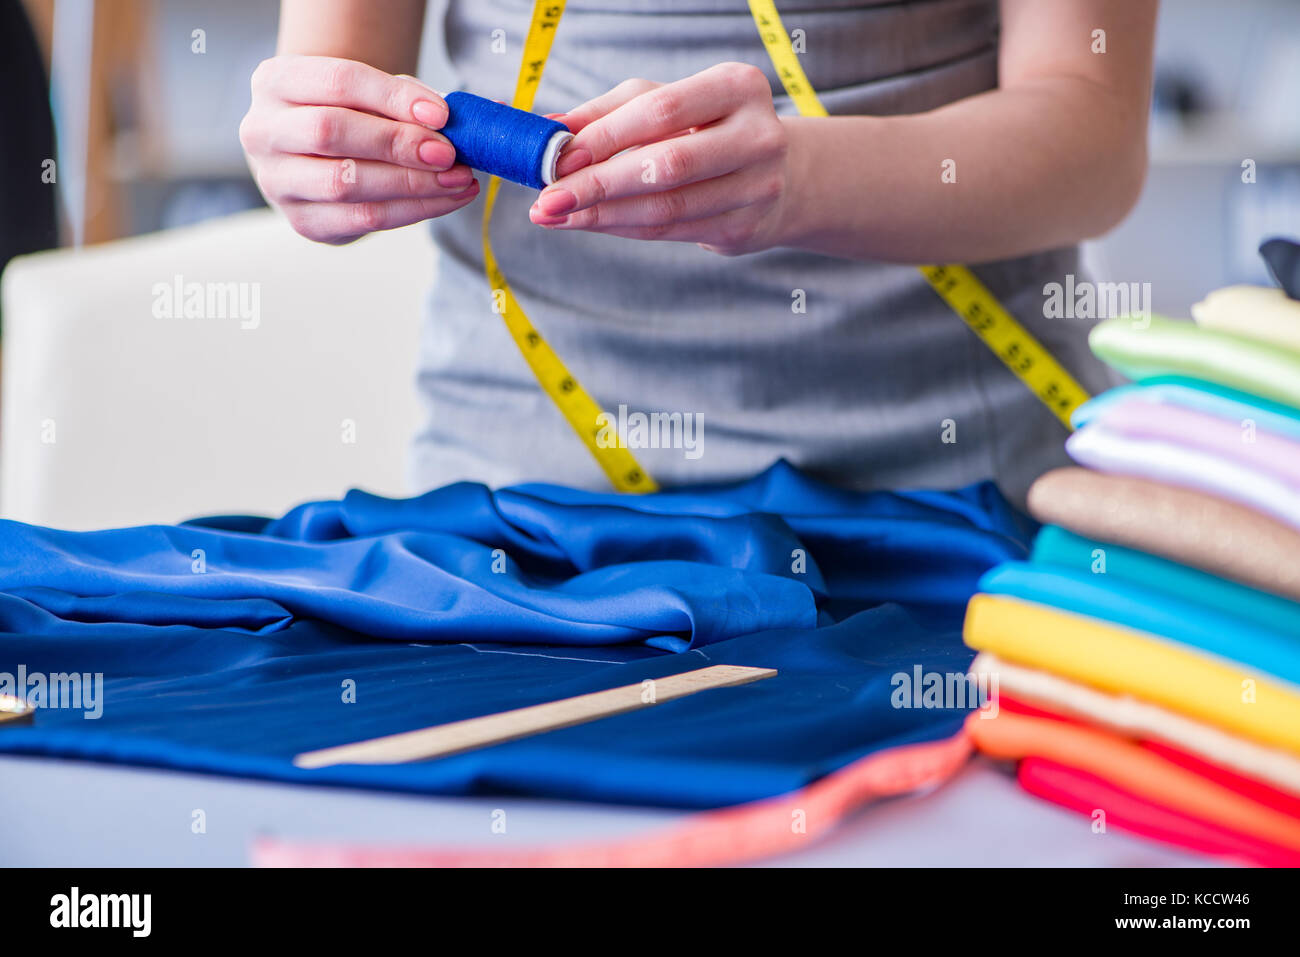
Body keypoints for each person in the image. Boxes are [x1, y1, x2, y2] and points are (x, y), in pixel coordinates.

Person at [239, 0, 1158, 503]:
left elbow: (1096, 140)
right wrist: (308, 149)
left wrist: (805, 177)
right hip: (523, 500)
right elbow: (329, 83)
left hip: (955, 490)